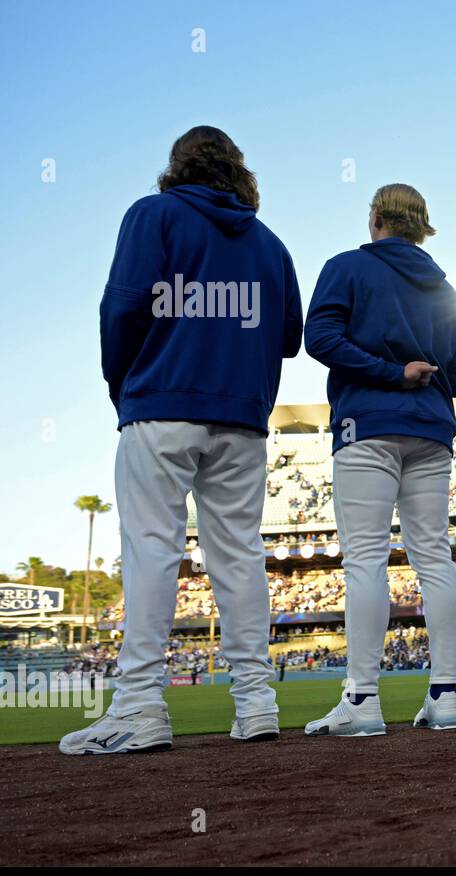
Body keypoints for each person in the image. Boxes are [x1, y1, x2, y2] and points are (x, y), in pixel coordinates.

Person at [61, 126, 302, 756]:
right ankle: (257, 703)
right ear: (238, 170)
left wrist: (125, 385)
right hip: (241, 416)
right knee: (239, 554)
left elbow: (122, 308)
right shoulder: (269, 242)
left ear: (176, 166)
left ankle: (140, 705)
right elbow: (288, 336)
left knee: (151, 549)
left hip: (162, 402)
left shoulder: (153, 214)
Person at [303, 183, 456, 736]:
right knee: (434, 556)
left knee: (366, 560)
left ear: (376, 217)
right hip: (430, 428)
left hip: (369, 423)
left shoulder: (348, 266)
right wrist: (418, 369)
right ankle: (445, 696)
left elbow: (320, 339)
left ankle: (362, 698)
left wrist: (389, 371)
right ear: (423, 225)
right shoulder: (445, 286)